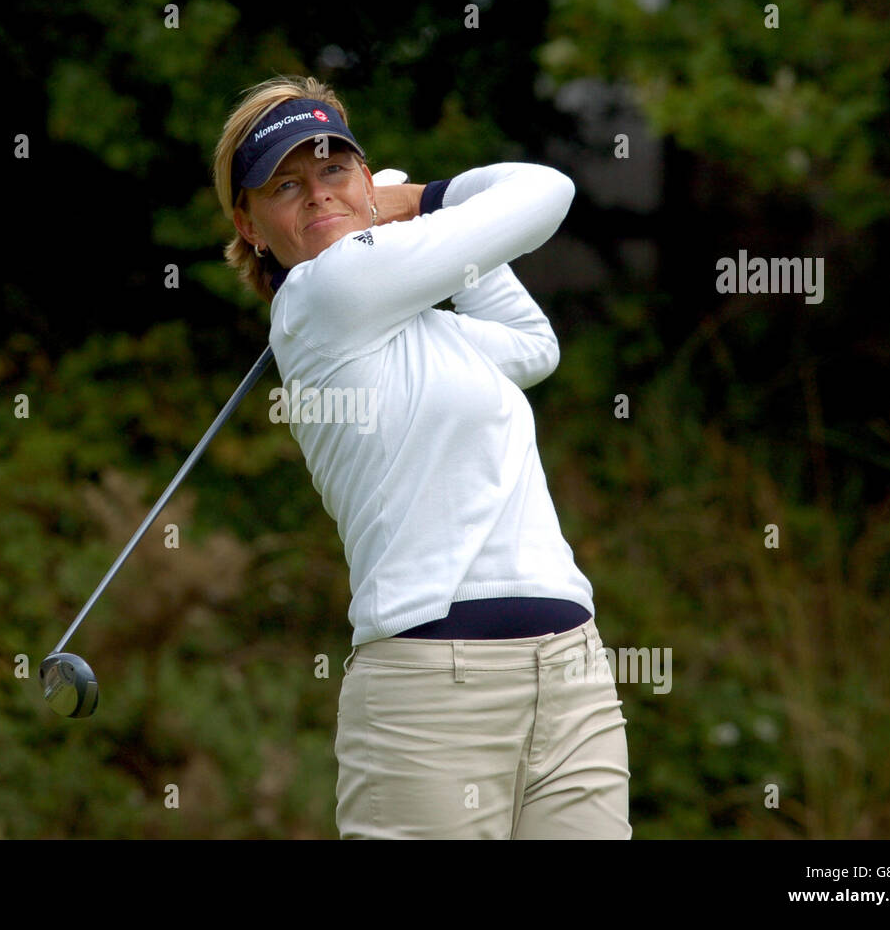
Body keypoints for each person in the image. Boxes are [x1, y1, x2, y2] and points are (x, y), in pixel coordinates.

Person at [211, 75, 631, 839]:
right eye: (286, 185)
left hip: (572, 672)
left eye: (335, 170)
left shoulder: (416, 330)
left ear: (364, 175)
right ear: (249, 222)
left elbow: (533, 347)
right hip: (431, 693)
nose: (318, 196)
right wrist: (422, 201)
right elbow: (544, 190)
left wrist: (401, 226)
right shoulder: (319, 298)